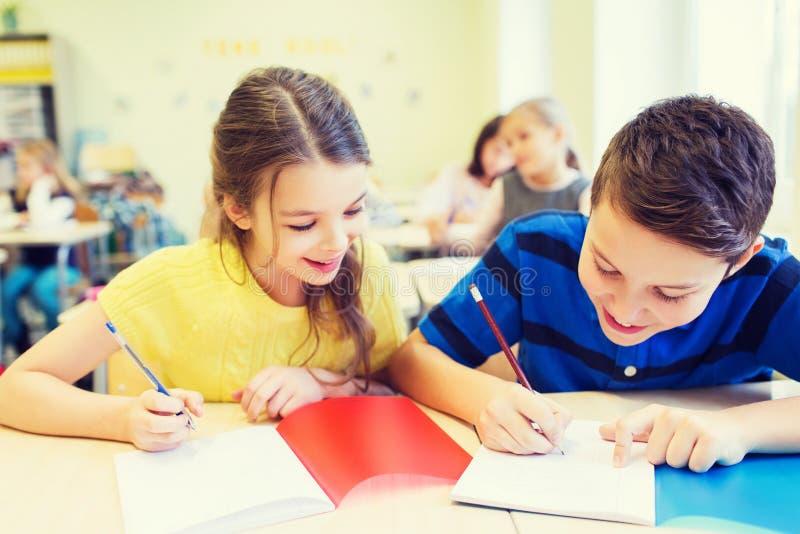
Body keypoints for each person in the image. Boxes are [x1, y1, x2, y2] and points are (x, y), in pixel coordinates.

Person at [0, 66, 406, 452]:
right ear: (238, 210)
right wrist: (123, 419)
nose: (338, 243)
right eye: (303, 224)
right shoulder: (170, 280)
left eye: (353, 210)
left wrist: (325, 385)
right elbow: (14, 389)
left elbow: (397, 387)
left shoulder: (366, 266)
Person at [388, 95, 800, 473]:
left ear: (739, 261)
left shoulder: (767, 284)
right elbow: (410, 360)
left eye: (669, 293)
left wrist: (739, 428)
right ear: (591, 205)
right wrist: (484, 399)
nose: (624, 310)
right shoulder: (534, 250)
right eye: (606, 268)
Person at [470, 98, 591, 254]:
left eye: (524, 136)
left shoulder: (585, 192)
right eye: (509, 143)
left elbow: (585, 252)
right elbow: (476, 241)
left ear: (557, 134)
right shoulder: (504, 186)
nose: (515, 149)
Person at [2, 139, 84, 355]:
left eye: (27, 167)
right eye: (18, 167)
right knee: (7, 290)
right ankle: (19, 341)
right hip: (31, 265)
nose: (20, 173)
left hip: (63, 267)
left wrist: (40, 188)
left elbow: (41, 221)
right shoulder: (18, 196)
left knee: (43, 289)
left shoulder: (63, 197)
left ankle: (60, 344)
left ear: (47, 170)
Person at [416, 116, 513, 246]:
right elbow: (429, 211)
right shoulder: (455, 173)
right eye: (496, 150)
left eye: (508, 155)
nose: (499, 161)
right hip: (453, 251)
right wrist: (441, 219)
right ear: (482, 144)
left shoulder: (511, 186)